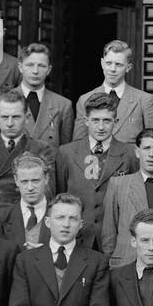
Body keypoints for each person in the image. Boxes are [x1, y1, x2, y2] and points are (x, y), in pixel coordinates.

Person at [54, 92, 138, 234]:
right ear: (86, 121)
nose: (100, 127)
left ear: (115, 122)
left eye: (106, 121)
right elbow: (59, 195)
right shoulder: (66, 153)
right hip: (78, 235)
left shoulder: (130, 154)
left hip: (114, 235)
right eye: (95, 120)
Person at [101, 128, 153, 267]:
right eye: (146, 148)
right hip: (125, 266)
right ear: (137, 152)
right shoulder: (118, 185)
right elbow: (108, 233)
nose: (151, 154)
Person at [0, 90, 57, 212]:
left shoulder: (41, 149)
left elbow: (47, 193)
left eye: (16, 117)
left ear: (27, 118)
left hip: (25, 218)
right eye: (4, 117)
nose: (10, 123)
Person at [0, 154, 101, 251]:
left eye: (35, 181)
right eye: (24, 181)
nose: (30, 187)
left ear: (46, 179)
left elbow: (77, 256)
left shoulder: (67, 218)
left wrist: (49, 253)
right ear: (16, 180)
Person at [73, 40, 153, 146]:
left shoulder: (144, 100)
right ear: (102, 63)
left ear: (128, 67)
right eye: (108, 63)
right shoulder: (85, 100)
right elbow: (78, 145)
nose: (112, 69)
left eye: (118, 64)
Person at [0, 43, 73, 149]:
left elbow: (65, 152)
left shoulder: (62, 105)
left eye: (41, 66)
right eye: (30, 65)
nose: (35, 71)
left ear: (49, 70)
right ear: (20, 67)